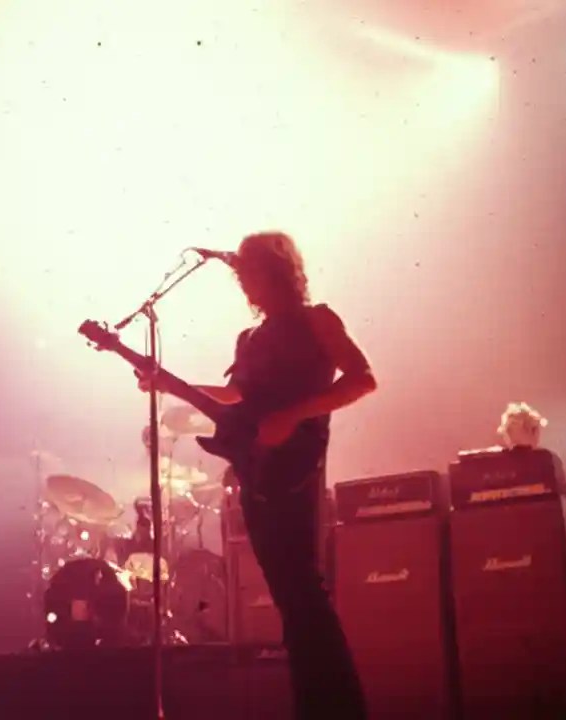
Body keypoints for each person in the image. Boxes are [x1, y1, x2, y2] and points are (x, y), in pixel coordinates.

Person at [139, 231, 375, 719]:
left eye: (249, 273)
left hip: (296, 468)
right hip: (257, 471)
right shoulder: (250, 339)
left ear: (277, 273)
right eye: (241, 276)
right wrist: (171, 384)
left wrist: (292, 416)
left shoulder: (317, 320)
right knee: (291, 598)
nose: (244, 284)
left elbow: (362, 380)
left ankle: (340, 709)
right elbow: (237, 398)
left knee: (304, 594)